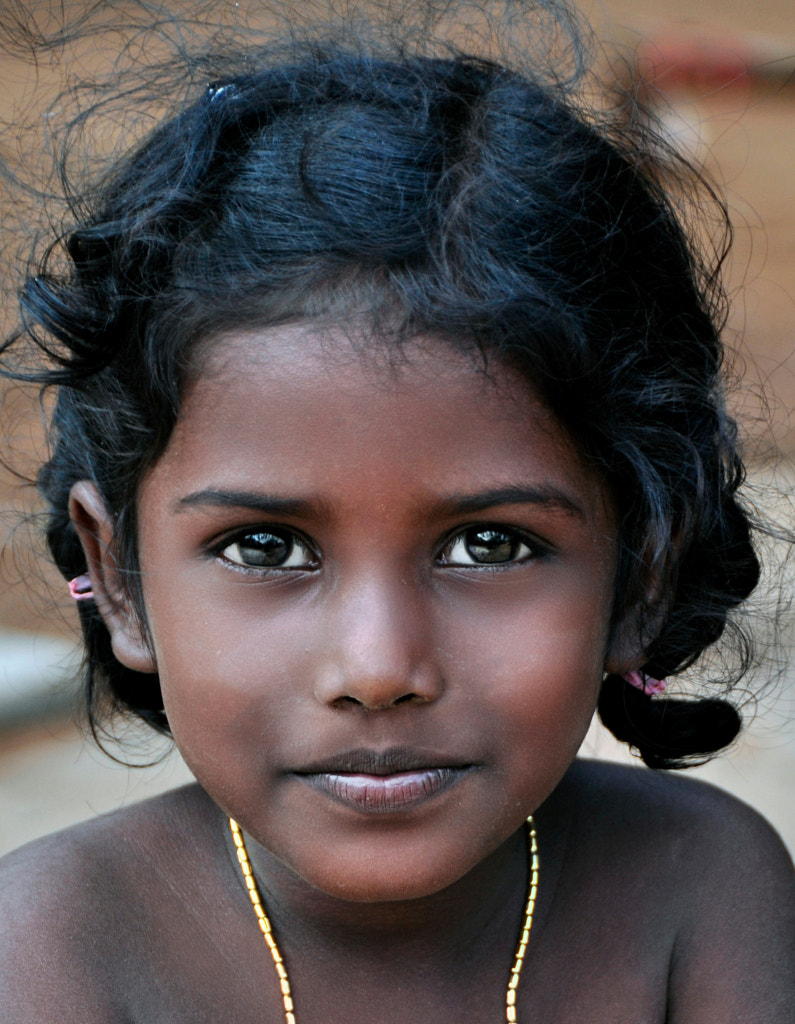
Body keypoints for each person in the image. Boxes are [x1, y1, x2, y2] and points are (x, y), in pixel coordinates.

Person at [0, 2, 792, 1020]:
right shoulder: (53, 949)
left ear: (643, 570)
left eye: (489, 542)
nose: (377, 668)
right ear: (121, 580)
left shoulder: (703, 889)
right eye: (265, 545)